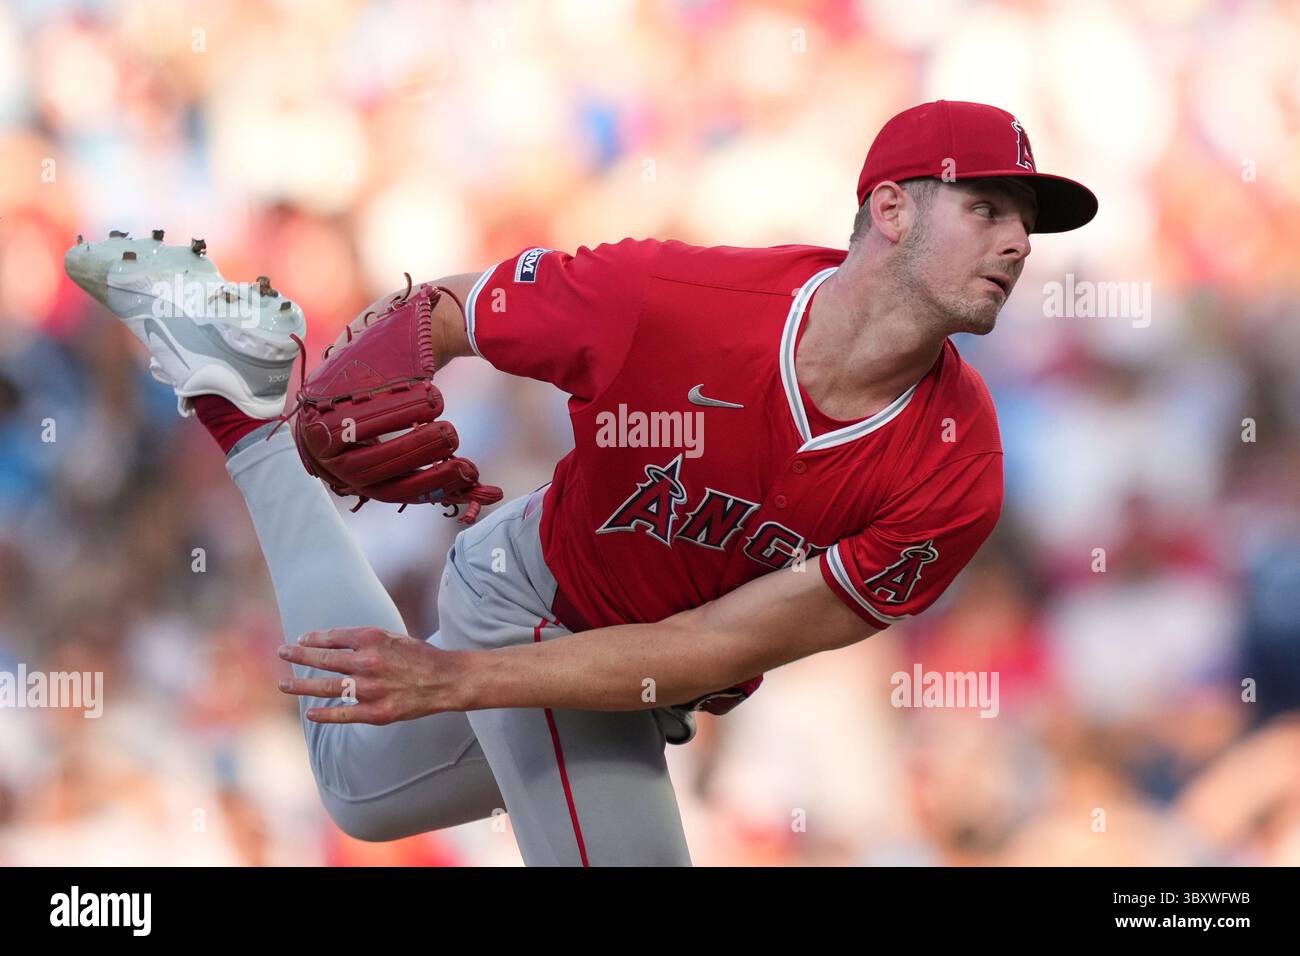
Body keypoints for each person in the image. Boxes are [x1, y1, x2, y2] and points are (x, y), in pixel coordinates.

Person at [65, 100, 1097, 866]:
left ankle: (245, 418)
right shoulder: (678, 299)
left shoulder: (957, 471)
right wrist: (367, 369)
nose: (1016, 239)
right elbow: (443, 311)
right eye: (986, 206)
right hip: (534, 604)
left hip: (639, 669)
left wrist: (449, 681)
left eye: (1024, 222)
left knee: (364, 794)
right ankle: (269, 407)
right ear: (890, 209)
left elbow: (716, 642)